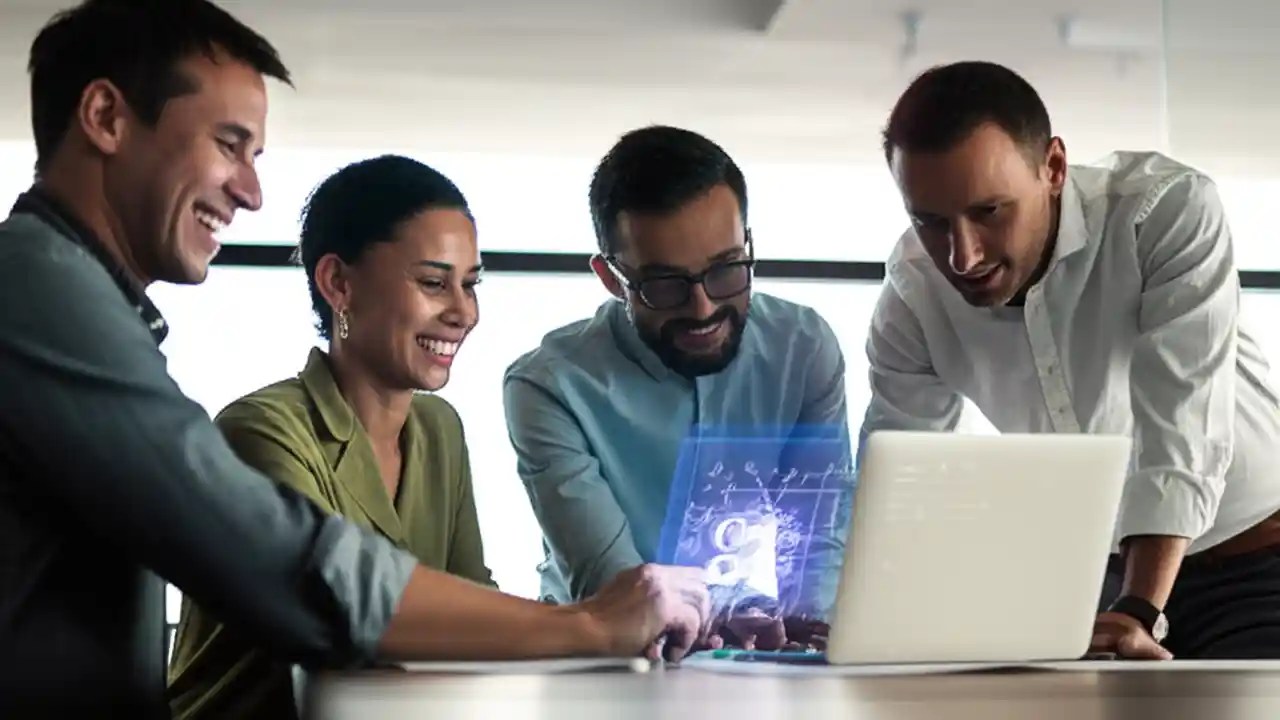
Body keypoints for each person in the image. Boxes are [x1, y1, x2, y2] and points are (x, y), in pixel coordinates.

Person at [0, 2, 708, 716]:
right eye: (228, 144)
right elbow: (279, 563)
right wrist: (582, 624)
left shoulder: (77, 302)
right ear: (106, 117)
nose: (250, 192)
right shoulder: (34, 290)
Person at [863, 59, 1280, 660]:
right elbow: (899, 478)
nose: (961, 256)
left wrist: (1140, 608)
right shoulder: (911, 293)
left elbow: (1180, 425)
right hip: (1098, 576)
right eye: (929, 221)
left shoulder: (1162, 212)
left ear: (1053, 167)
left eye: (989, 212)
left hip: (1253, 556)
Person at [167, 155, 501, 717]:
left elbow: (475, 605)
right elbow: (345, 621)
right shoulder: (261, 431)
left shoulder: (441, 431)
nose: (463, 312)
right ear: (338, 283)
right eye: (432, 283)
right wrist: (587, 623)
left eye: (470, 285)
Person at [503, 125, 850, 649]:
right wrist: (714, 623)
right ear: (610, 277)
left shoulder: (803, 350)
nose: (704, 308)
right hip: (604, 666)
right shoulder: (549, 387)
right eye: (664, 285)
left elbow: (817, 533)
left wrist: (806, 629)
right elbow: (616, 584)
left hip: (753, 657)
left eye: (727, 270)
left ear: (747, 245)